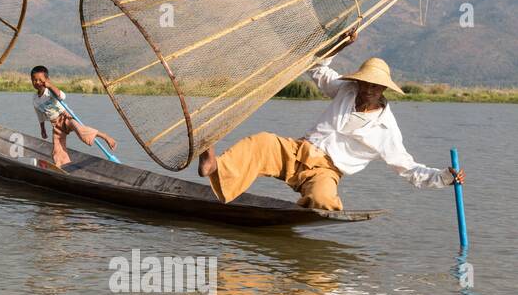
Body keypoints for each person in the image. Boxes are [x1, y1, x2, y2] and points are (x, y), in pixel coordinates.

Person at [197, 31, 465, 210]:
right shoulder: (346, 90)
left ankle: (301, 210)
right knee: (260, 143)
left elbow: (408, 168)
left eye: (375, 86)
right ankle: (214, 166)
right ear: (358, 81)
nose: (368, 89)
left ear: (383, 89)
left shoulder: (386, 128)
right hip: (297, 150)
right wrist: (340, 45)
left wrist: (443, 177)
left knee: (323, 200)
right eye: (365, 83)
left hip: (325, 170)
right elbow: (318, 69)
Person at [30, 65, 117, 167]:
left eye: (40, 80)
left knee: (81, 132)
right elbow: (39, 114)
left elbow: (62, 96)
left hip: (66, 117)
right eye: (34, 80)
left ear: (47, 80)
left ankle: (104, 136)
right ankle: (63, 166)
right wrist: (42, 129)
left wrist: (50, 86)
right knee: (57, 149)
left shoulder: (50, 91)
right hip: (56, 125)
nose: (37, 83)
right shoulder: (35, 99)